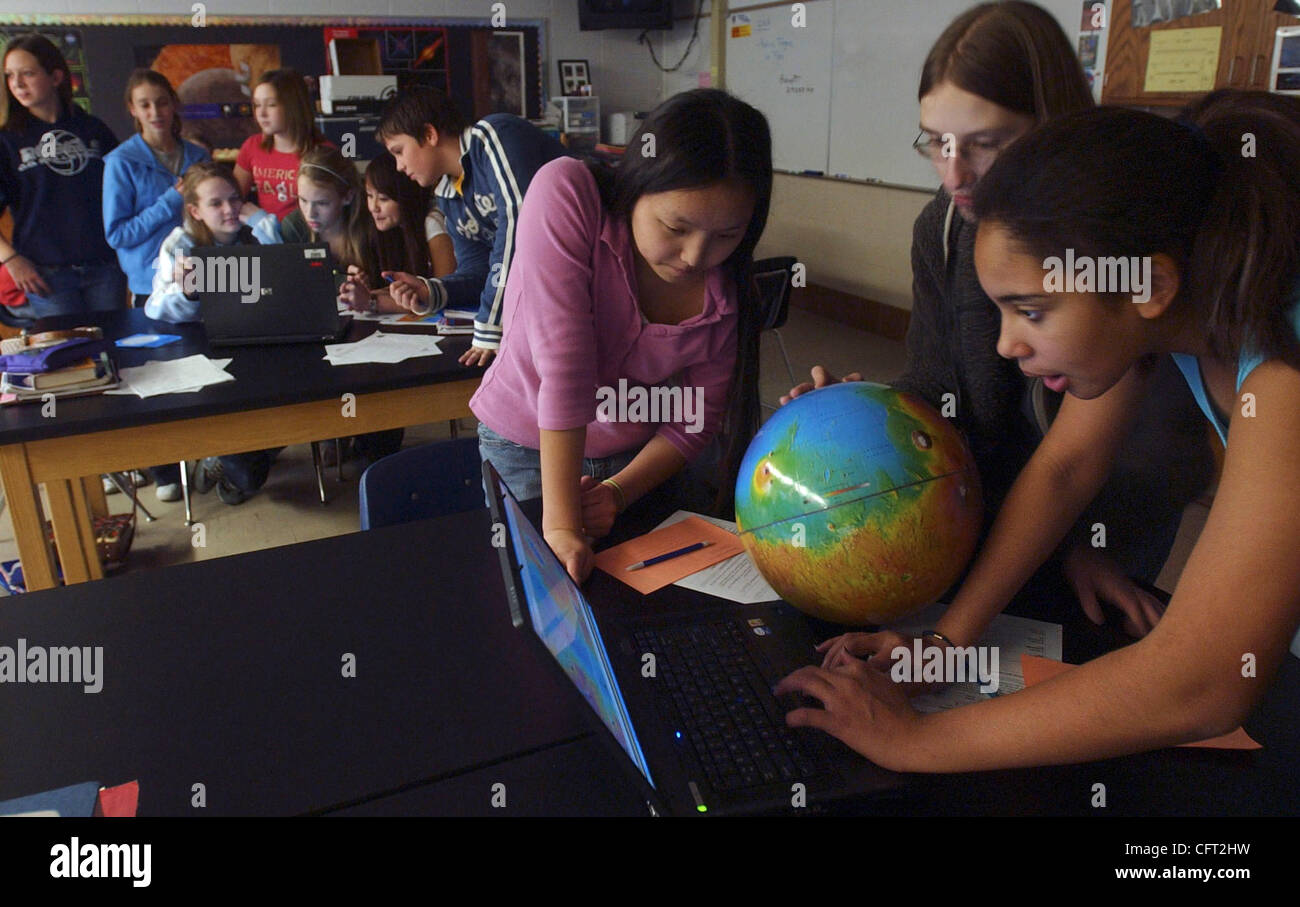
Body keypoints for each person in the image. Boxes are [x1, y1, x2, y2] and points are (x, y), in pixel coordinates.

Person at [779, 90, 1300, 771]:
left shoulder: (1283, 375)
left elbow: (1203, 682)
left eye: (1031, 311)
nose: (1005, 346)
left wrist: (915, 739)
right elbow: (1066, 467)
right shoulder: (1171, 299)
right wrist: (944, 643)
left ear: (1149, 286)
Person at [782, 1, 1212, 636]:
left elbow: (1073, 462)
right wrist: (872, 416)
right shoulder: (946, 227)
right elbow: (943, 390)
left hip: (1111, 518)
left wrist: (1077, 548)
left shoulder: (1118, 233)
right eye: (936, 143)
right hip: (997, 514)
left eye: (987, 144)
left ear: (1053, 125)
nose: (955, 173)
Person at [470, 89, 772, 583]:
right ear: (636, 185)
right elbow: (566, 368)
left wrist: (617, 491)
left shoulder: (726, 292)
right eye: (675, 226)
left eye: (726, 236)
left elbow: (694, 419)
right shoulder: (567, 191)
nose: (696, 256)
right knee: (541, 598)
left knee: (639, 606)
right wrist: (563, 521)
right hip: (527, 446)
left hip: (638, 459)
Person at [376, 86, 565, 366]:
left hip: (599, 275)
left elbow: (523, 225)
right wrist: (433, 290)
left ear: (429, 134)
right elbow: (480, 273)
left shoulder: (491, 136)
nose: (399, 166)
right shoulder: (448, 195)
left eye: (399, 151)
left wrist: (491, 322)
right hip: (554, 300)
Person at [144, 161, 282, 505]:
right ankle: (225, 460)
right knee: (250, 478)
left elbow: (288, 282)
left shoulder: (255, 233)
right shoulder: (181, 244)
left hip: (256, 349)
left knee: (288, 414)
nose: (229, 209)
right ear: (195, 211)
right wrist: (188, 293)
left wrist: (267, 229)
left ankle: (236, 458)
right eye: (216, 203)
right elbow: (155, 307)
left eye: (235, 199)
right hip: (203, 355)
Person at [102, 68, 210, 503]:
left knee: (204, 373)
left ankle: (209, 458)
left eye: (162, 102)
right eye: (145, 104)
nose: (155, 111)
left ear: (174, 105)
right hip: (151, 287)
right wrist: (171, 199)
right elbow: (118, 234)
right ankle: (165, 470)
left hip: (203, 278)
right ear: (133, 110)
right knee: (159, 381)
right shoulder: (121, 161)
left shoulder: (198, 153)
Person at [281, 145, 404, 469]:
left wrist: (368, 287)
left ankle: (369, 444)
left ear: (347, 197)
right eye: (303, 200)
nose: (310, 212)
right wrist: (339, 282)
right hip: (318, 332)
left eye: (321, 203)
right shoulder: (293, 227)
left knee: (382, 438)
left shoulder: (369, 228)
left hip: (372, 333)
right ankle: (332, 434)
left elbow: (393, 284)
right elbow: (291, 283)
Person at [0, 33, 124, 320]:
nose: (17, 84)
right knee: (68, 358)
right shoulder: (7, 141)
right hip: (47, 276)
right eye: (10, 76)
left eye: (28, 74)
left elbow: (123, 192)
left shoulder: (94, 129)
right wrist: (12, 260)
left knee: (113, 353)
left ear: (55, 77)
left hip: (105, 268)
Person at [337, 150, 456, 316]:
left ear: (406, 198)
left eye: (384, 199)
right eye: (369, 196)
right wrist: (362, 285)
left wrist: (371, 301)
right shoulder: (379, 228)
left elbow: (444, 294)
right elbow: (387, 288)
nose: (373, 207)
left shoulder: (432, 224)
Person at [233, 68, 322, 220]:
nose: (261, 114)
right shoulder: (252, 146)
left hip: (305, 239)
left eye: (271, 105)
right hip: (263, 236)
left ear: (293, 106)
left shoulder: (322, 152)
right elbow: (233, 196)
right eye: (257, 105)